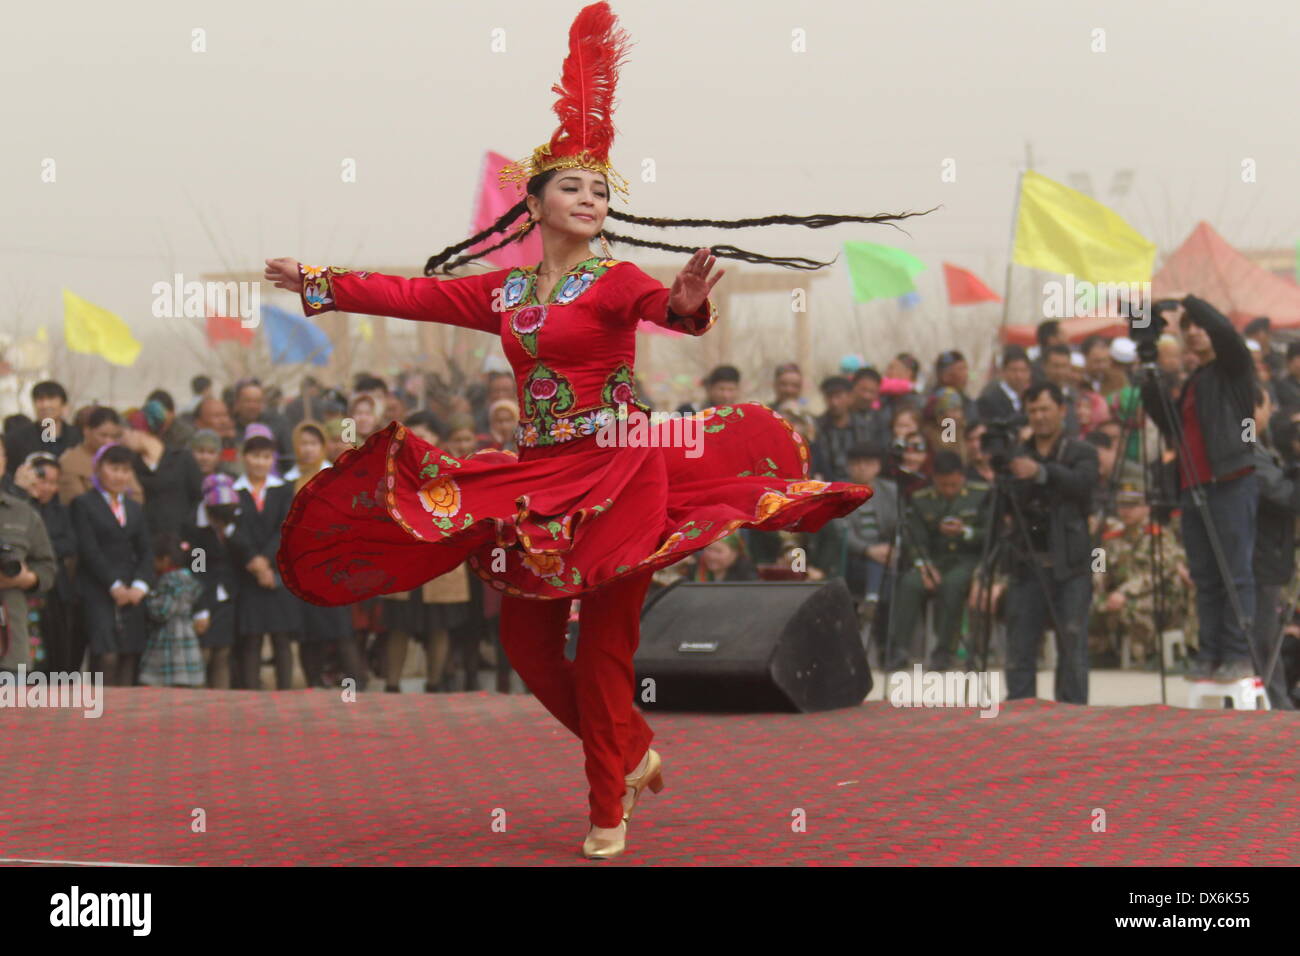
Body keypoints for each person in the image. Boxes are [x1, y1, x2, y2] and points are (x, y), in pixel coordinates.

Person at [262, 0, 915, 863]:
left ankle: (607, 801)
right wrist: (318, 281)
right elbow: (409, 294)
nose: (591, 198)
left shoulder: (615, 280)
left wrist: (685, 301)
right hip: (539, 473)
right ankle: (633, 750)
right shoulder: (502, 294)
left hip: (619, 470)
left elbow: (666, 310)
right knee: (528, 642)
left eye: (602, 189)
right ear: (532, 202)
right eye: (573, 185)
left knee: (606, 645)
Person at [1140, 296, 1257, 682]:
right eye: (1185, 326)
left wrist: (1188, 299)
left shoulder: (1233, 370)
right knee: (1204, 577)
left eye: (1197, 325)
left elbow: (1227, 334)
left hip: (1229, 482)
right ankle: (1209, 653)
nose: (1191, 331)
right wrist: (1148, 363)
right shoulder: (1194, 380)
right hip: (1193, 488)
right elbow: (1167, 422)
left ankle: (1238, 655)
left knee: (1233, 574)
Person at [1000, 382, 1099, 704]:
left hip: (1070, 563)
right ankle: (1020, 709)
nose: (1039, 417)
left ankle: (1071, 712)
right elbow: (1004, 503)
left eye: (1045, 409)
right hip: (1027, 561)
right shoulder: (1018, 453)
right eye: (1033, 411)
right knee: (1020, 645)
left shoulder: (1081, 451)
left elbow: (1083, 484)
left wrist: (1041, 473)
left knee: (1071, 642)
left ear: (1062, 410)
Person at [885, 451, 989, 671]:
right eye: (942, 485)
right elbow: (916, 538)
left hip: (967, 560)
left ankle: (944, 651)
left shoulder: (982, 495)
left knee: (953, 585)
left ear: (962, 477)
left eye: (953, 485)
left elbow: (990, 534)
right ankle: (899, 649)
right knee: (909, 584)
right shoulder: (922, 499)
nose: (948, 490)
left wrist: (965, 531)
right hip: (934, 560)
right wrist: (924, 566)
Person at [70, 443, 154, 686]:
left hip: (132, 590)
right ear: (98, 469)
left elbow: (145, 550)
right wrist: (114, 585)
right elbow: (89, 550)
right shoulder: (84, 504)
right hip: (97, 588)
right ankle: (101, 713)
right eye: (113, 468)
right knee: (106, 653)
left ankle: (126, 718)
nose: (120, 476)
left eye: (126, 470)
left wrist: (140, 585)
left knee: (130, 653)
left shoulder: (134, 508)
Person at [229, 435, 300, 690]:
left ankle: (285, 692)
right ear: (244, 457)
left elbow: (284, 528)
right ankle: (250, 694)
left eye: (266, 457)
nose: (260, 462)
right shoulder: (233, 491)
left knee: (281, 638)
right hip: (245, 573)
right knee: (251, 638)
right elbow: (232, 530)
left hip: (275, 572)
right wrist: (253, 561)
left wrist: (266, 562)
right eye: (255, 456)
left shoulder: (283, 490)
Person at [182, 474, 241, 689]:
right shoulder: (194, 528)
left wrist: (231, 531)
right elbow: (198, 571)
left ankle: (221, 703)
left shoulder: (234, 522)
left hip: (227, 593)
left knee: (223, 652)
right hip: (204, 595)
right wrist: (201, 610)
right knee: (204, 652)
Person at [0, 466, 57, 673]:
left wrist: (27, 578)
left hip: (11, 644)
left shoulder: (22, 513)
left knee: (15, 704)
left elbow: (47, 567)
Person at [139, 533, 207, 687]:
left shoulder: (168, 580)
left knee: (166, 677)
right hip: (188, 630)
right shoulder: (189, 577)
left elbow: (162, 611)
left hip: (169, 635)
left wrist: (149, 599)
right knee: (185, 677)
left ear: (165, 560)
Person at [58, 407, 143, 506]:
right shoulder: (70, 461)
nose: (108, 441)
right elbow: (75, 502)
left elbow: (137, 495)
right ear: (87, 431)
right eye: (103, 435)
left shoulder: (120, 458)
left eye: (114, 436)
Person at [976, 346, 1031, 423]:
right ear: (1003, 371)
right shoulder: (989, 399)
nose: (1019, 376)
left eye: (1023, 370)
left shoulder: (1030, 396)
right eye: (1014, 370)